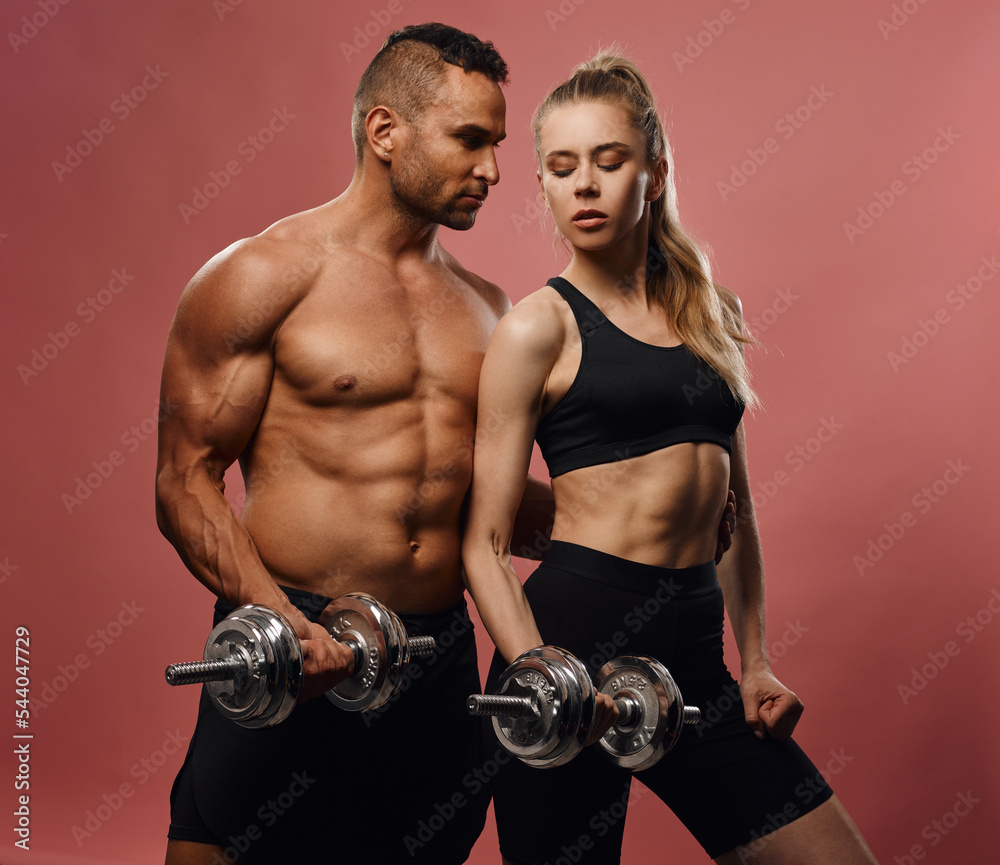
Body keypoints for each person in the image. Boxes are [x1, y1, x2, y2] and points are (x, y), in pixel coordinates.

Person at [461, 53, 881, 864]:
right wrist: (542, 674)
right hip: (572, 639)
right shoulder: (537, 328)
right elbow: (484, 540)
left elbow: (738, 512)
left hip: (694, 650)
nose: (584, 184)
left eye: (608, 162)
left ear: (655, 171)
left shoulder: (708, 312)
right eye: (560, 167)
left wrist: (754, 659)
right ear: (543, 184)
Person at [154, 23, 522, 864]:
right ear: (385, 131)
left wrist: (640, 505)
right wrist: (283, 625)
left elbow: (483, 496)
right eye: (469, 140)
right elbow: (185, 480)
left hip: (434, 655)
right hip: (291, 636)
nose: (494, 171)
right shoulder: (263, 275)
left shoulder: (491, 310)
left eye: (496, 144)